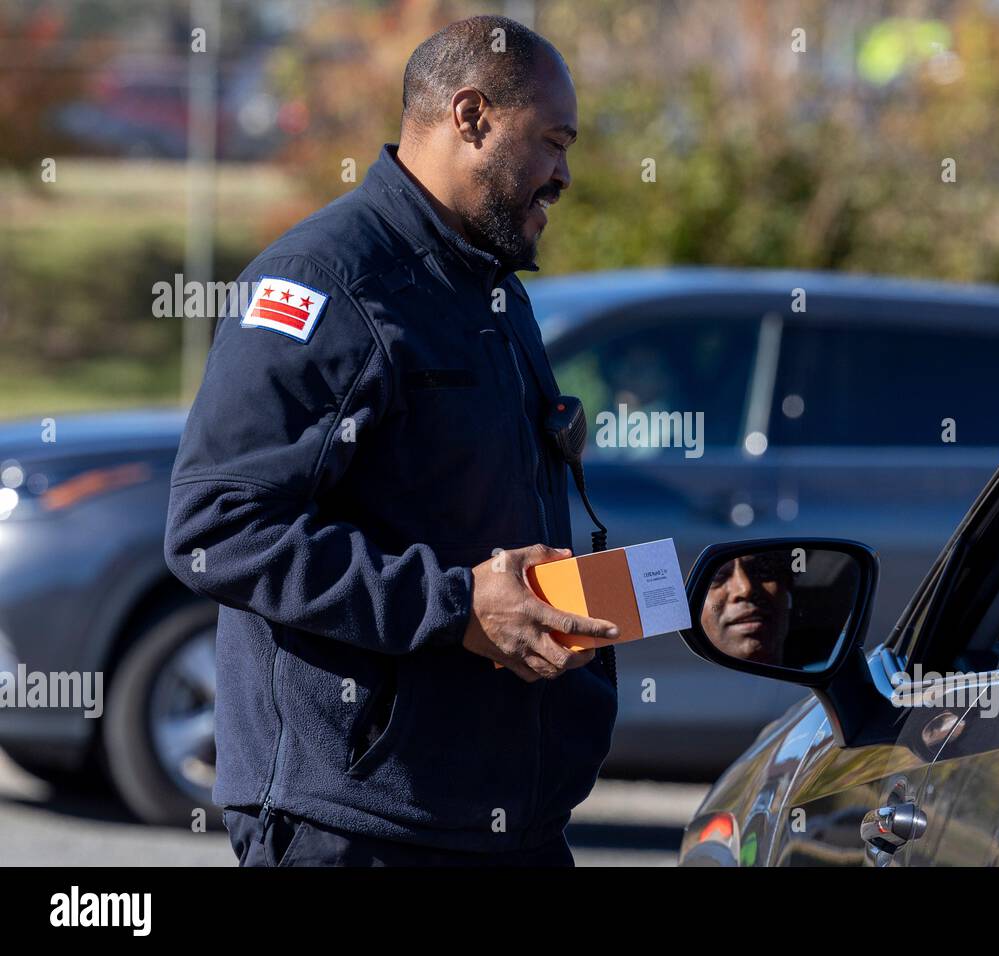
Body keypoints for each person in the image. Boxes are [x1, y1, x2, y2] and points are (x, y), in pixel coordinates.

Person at [164, 15, 619, 867]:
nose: (563, 176)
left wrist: (679, 603)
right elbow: (215, 526)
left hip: (507, 823)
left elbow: (495, 539)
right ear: (472, 115)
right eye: (552, 142)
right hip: (358, 827)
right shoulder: (323, 282)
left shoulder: (488, 287)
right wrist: (454, 607)